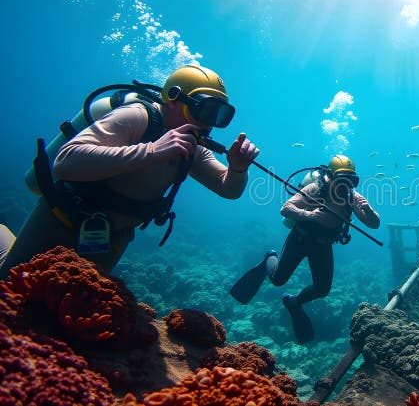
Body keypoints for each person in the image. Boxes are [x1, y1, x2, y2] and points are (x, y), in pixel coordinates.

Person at [0, 64, 259, 279]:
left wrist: (238, 169)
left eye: (220, 116)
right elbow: (66, 161)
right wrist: (152, 150)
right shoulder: (138, 117)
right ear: (172, 99)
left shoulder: (191, 148)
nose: (209, 124)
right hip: (62, 220)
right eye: (205, 110)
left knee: (80, 308)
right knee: (10, 289)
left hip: (113, 239)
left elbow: (228, 189)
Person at [267, 154, 380, 343]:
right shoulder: (316, 188)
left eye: (351, 181)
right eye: (341, 180)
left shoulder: (352, 197)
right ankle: (269, 257)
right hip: (300, 238)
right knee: (278, 279)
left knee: (322, 289)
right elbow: (286, 208)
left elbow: (374, 224)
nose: (345, 185)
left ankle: (294, 301)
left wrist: (368, 210)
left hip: (323, 245)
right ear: (331, 177)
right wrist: (309, 215)